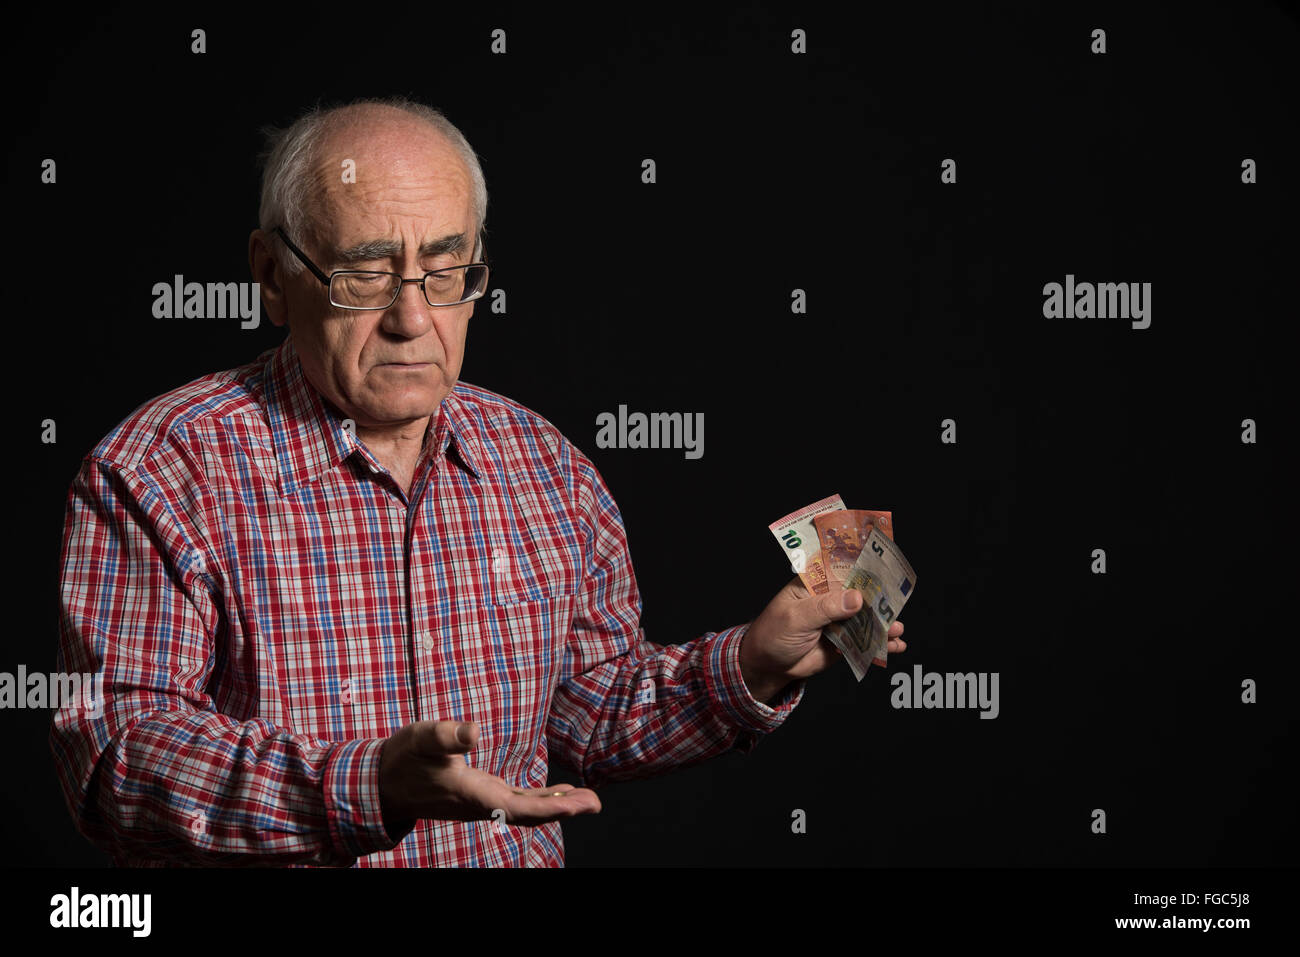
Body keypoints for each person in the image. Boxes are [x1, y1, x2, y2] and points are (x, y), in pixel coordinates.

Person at [50, 96, 906, 867]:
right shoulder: (158, 471)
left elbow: (591, 710)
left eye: (447, 271)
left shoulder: (545, 464)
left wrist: (751, 664)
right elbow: (117, 761)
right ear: (273, 275)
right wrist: (369, 786)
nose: (412, 317)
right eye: (365, 272)